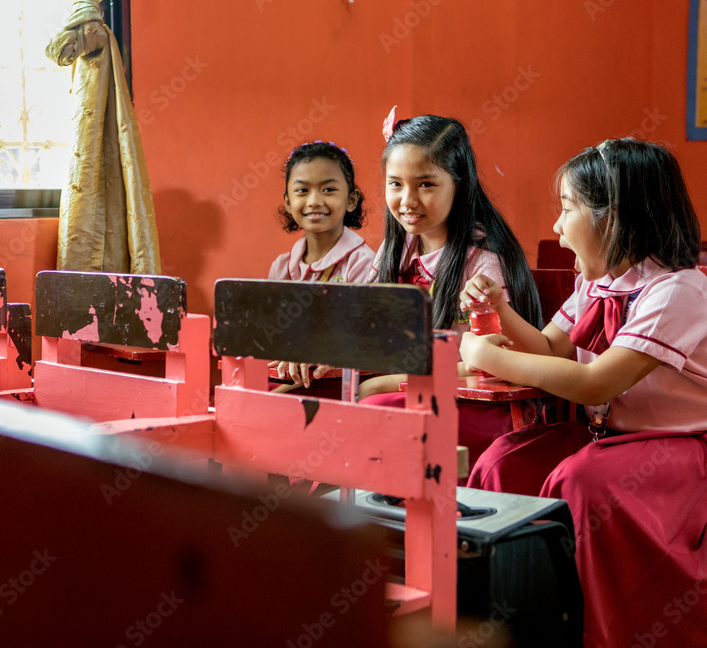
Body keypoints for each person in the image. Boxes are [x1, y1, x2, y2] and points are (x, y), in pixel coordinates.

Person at [461, 138, 707, 648]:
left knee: (582, 480)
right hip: (604, 434)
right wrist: (500, 311)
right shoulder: (599, 282)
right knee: (505, 461)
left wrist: (487, 356)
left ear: (613, 219)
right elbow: (552, 347)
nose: (557, 227)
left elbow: (598, 381)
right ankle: (505, 620)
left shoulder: (679, 290)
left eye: (568, 209)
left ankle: (590, 629)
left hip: (680, 449)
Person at [358, 113, 542, 466]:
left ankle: (361, 518)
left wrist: (384, 384)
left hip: (478, 405)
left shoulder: (483, 262)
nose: (408, 200)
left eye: (426, 184)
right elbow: (369, 333)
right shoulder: (396, 249)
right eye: (395, 184)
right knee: (307, 397)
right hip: (414, 390)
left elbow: (489, 366)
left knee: (374, 410)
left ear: (459, 184)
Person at [268, 140, 377, 391]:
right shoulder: (282, 268)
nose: (314, 201)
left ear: (351, 199)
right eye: (302, 191)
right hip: (287, 377)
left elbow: (364, 339)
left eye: (328, 190)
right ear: (287, 201)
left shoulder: (364, 264)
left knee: (259, 407)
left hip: (341, 383)